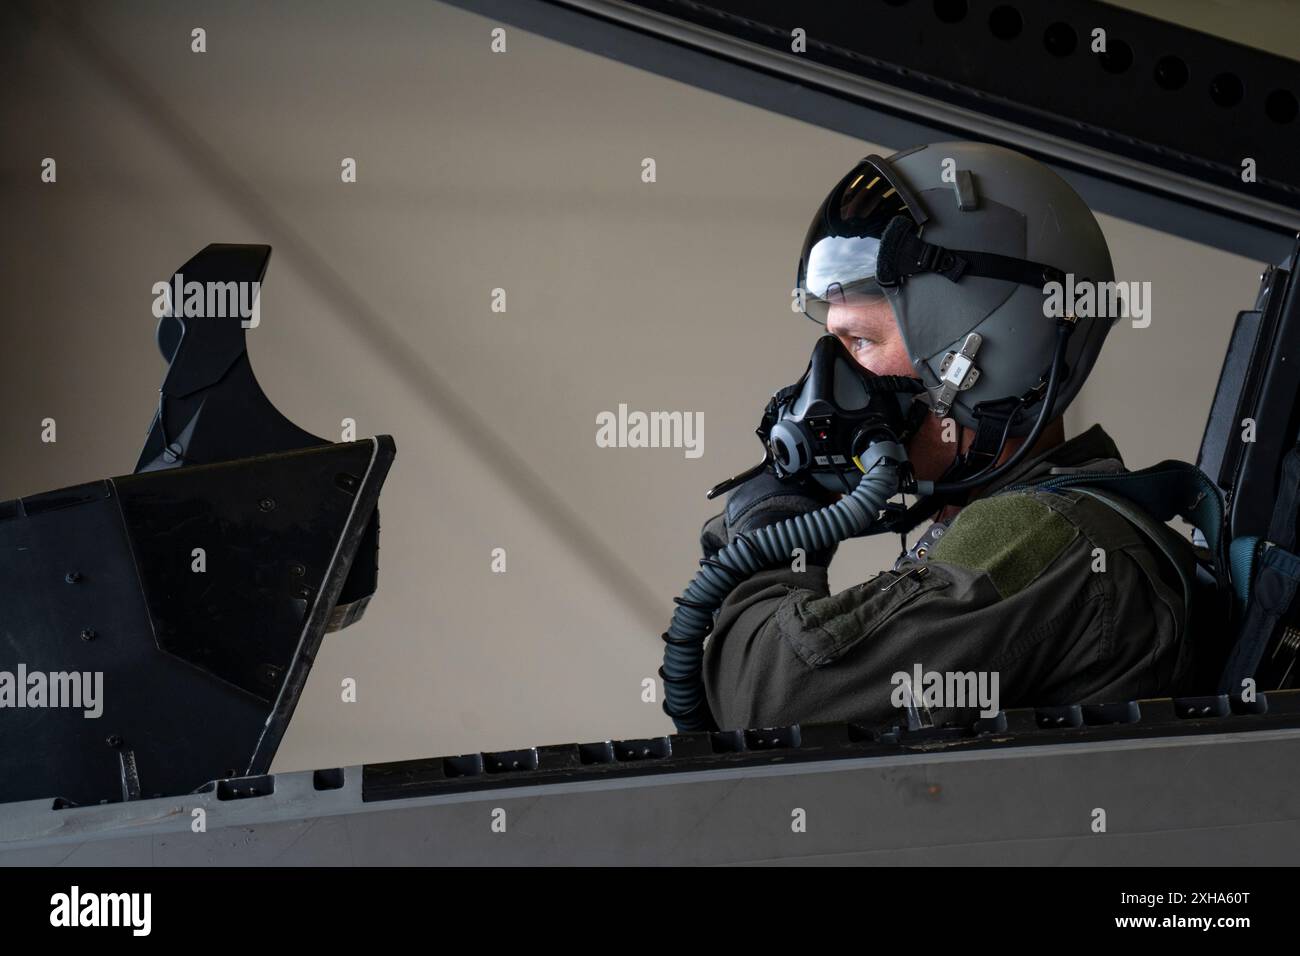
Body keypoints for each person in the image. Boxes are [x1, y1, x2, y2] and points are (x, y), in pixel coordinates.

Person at [698, 142, 1205, 731]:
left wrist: (771, 527)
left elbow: (773, 701)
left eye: (860, 342)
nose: (826, 383)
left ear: (986, 358)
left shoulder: (1041, 537)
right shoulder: (1009, 521)